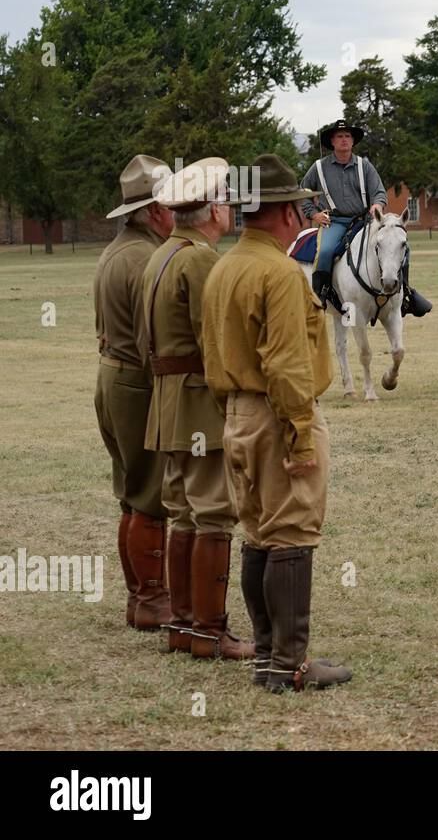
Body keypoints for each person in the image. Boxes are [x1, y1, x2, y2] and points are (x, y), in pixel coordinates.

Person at [202, 154, 352, 693]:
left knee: (260, 533)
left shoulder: (223, 266)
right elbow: (287, 364)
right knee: (290, 532)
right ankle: (289, 664)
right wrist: (299, 435)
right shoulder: (281, 272)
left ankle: (269, 658)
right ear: (287, 211)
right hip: (275, 414)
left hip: (237, 415)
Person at [140, 157, 253, 660]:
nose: (229, 208)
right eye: (225, 200)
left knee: (184, 514)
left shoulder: (161, 254)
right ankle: (209, 632)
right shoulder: (201, 260)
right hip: (197, 403)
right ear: (210, 210)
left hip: (167, 404)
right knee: (214, 514)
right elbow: (217, 344)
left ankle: (184, 628)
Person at [94, 155, 175, 631]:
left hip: (112, 377)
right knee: (148, 495)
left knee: (132, 493)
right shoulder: (144, 258)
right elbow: (155, 341)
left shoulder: (118, 250)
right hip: (135, 382)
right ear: (154, 210)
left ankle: (141, 597)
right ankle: (150, 600)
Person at [300, 119, 431, 317]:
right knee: (325, 251)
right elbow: (303, 194)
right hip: (334, 222)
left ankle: (406, 293)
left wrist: (377, 204)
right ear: (332, 142)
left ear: (352, 141)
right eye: (340, 137)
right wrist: (314, 214)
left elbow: (379, 192)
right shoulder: (318, 168)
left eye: (347, 136)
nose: (344, 140)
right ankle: (320, 295)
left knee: (403, 246)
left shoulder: (364, 167)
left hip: (364, 221)